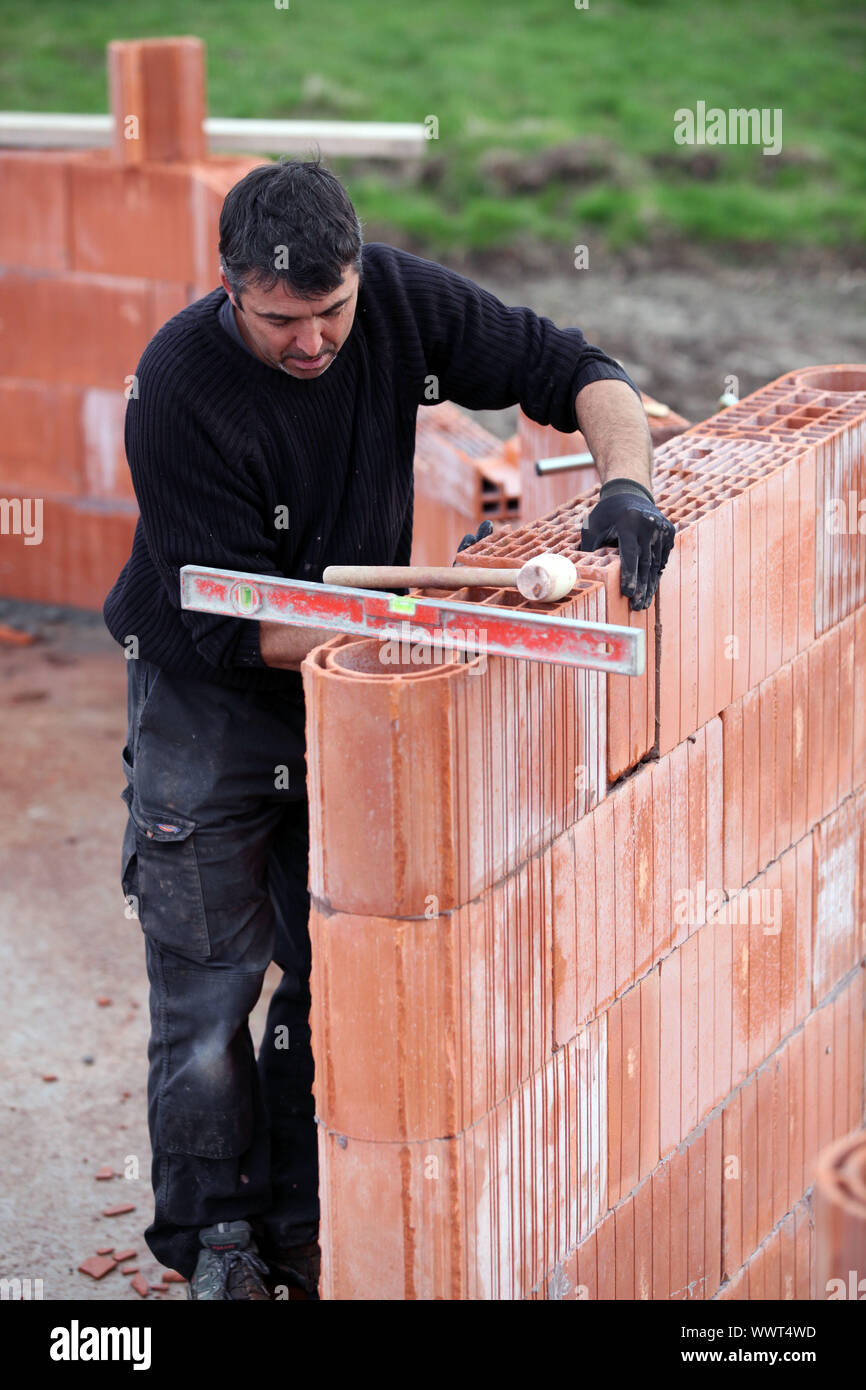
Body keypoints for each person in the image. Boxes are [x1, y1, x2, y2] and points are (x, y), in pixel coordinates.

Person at [102, 156, 675, 1300]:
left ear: (359, 275)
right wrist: (418, 629)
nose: (313, 342)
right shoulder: (176, 383)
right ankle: (215, 1239)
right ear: (228, 289)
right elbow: (231, 622)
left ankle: (304, 1217)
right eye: (281, 321)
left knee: (338, 971)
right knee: (212, 994)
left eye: (332, 311)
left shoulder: (402, 304)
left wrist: (628, 486)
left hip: (347, 689)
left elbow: (579, 369)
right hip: (210, 695)